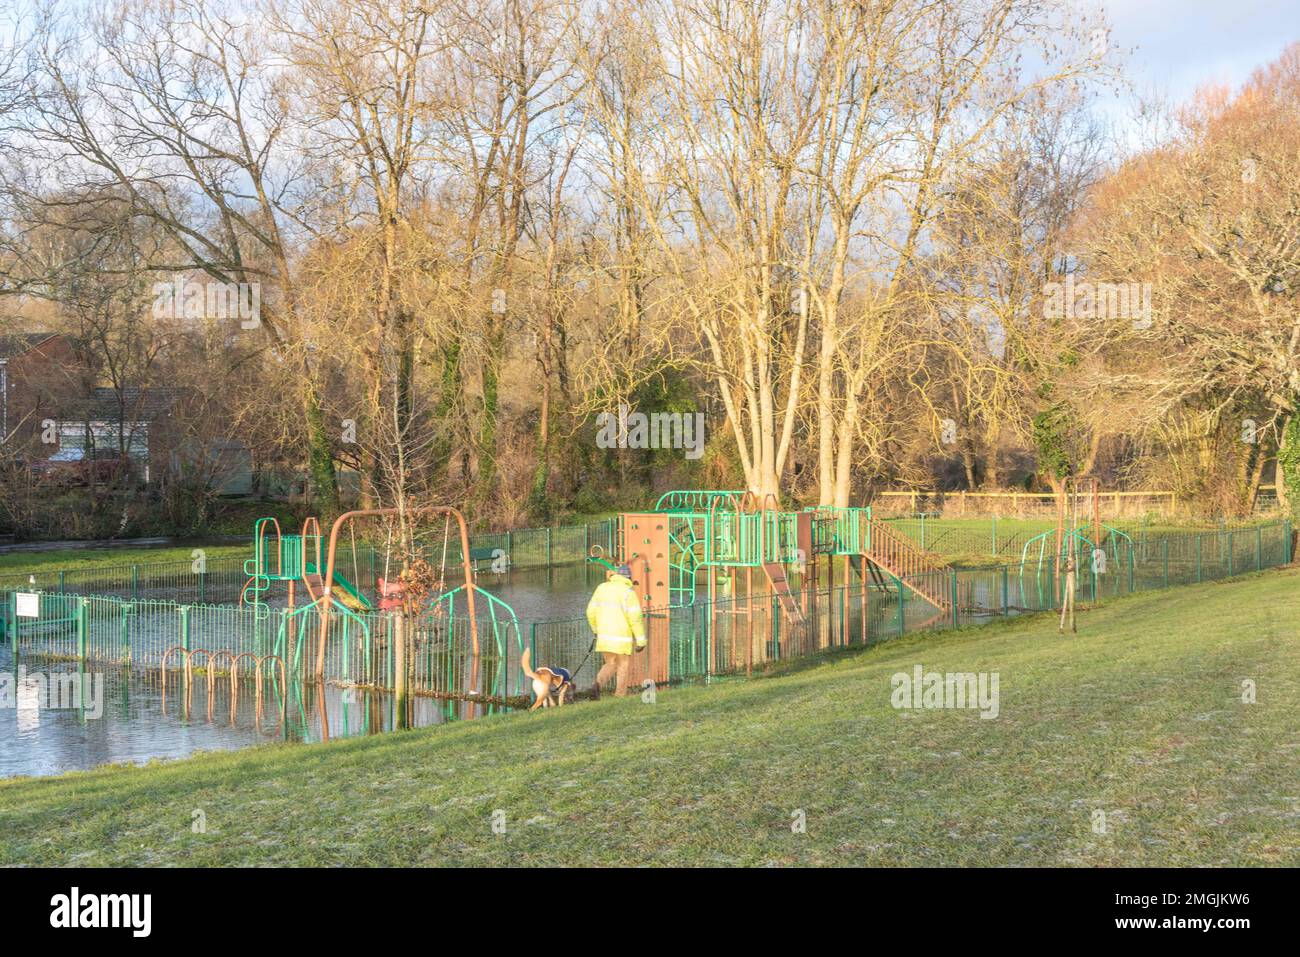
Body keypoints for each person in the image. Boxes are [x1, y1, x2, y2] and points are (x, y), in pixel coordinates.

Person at [586, 564, 646, 697]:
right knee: (622, 666)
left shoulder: (601, 588)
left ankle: (597, 685)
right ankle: (620, 695)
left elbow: (590, 611)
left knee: (610, 664)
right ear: (628, 577)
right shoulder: (628, 593)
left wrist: (596, 629)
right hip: (622, 638)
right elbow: (635, 619)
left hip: (604, 637)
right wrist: (641, 641)